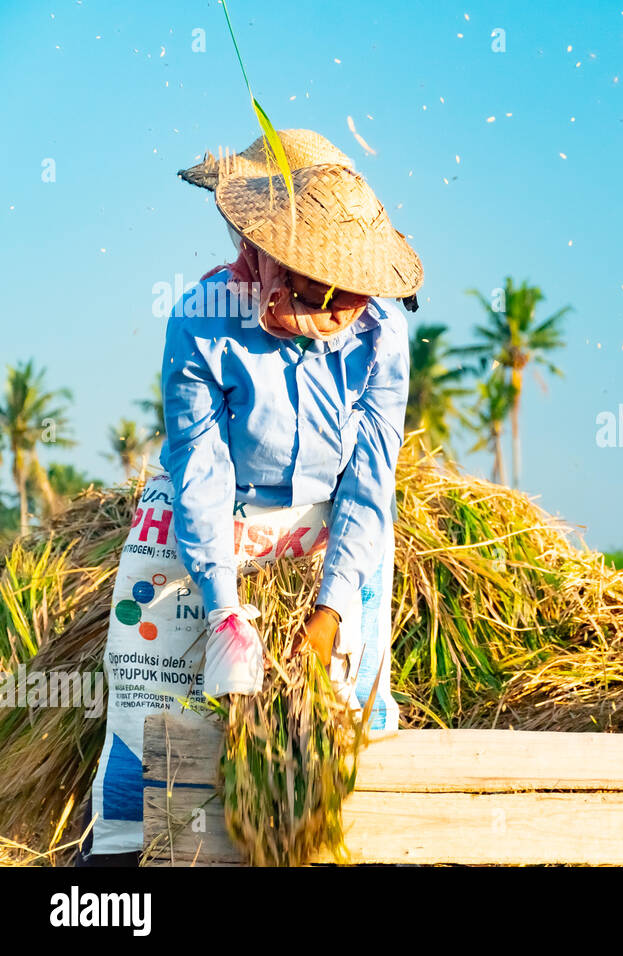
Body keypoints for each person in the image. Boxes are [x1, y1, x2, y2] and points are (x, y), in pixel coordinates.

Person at [83, 130, 421, 862]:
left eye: (347, 288)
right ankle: (117, 855)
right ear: (258, 251)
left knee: (338, 717)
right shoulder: (204, 320)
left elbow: (371, 479)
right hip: (219, 518)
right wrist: (226, 611)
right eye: (312, 282)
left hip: (330, 525)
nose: (334, 306)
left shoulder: (383, 333)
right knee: (155, 697)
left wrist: (328, 613)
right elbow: (200, 470)